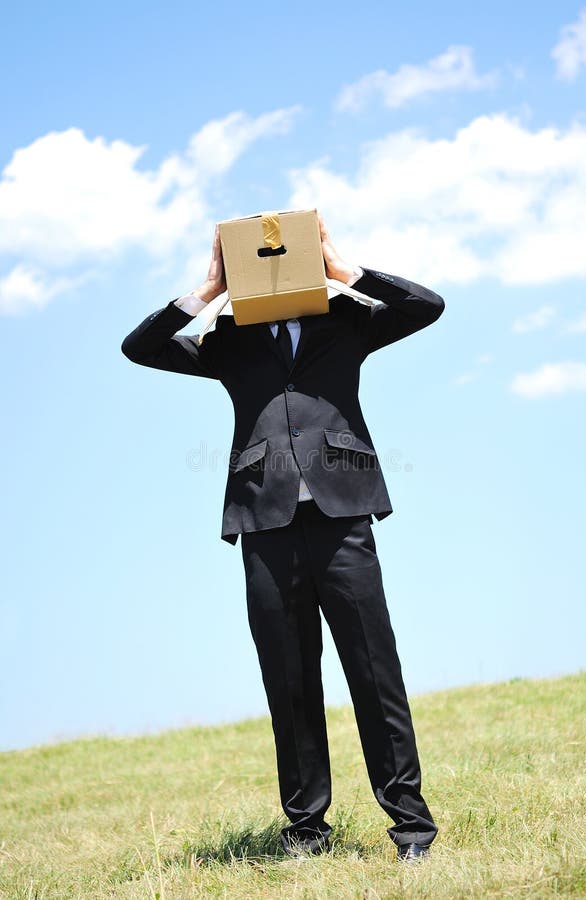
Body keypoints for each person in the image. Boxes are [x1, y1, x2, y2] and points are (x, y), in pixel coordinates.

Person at [121, 215, 445, 863]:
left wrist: (339, 268)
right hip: (261, 520)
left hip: (343, 513)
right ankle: (305, 833)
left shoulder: (346, 322)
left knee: (374, 671)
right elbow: (140, 347)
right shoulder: (227, 338)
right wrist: (209, 288)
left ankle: (411, 828)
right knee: (289, 678)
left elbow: (425, 306)